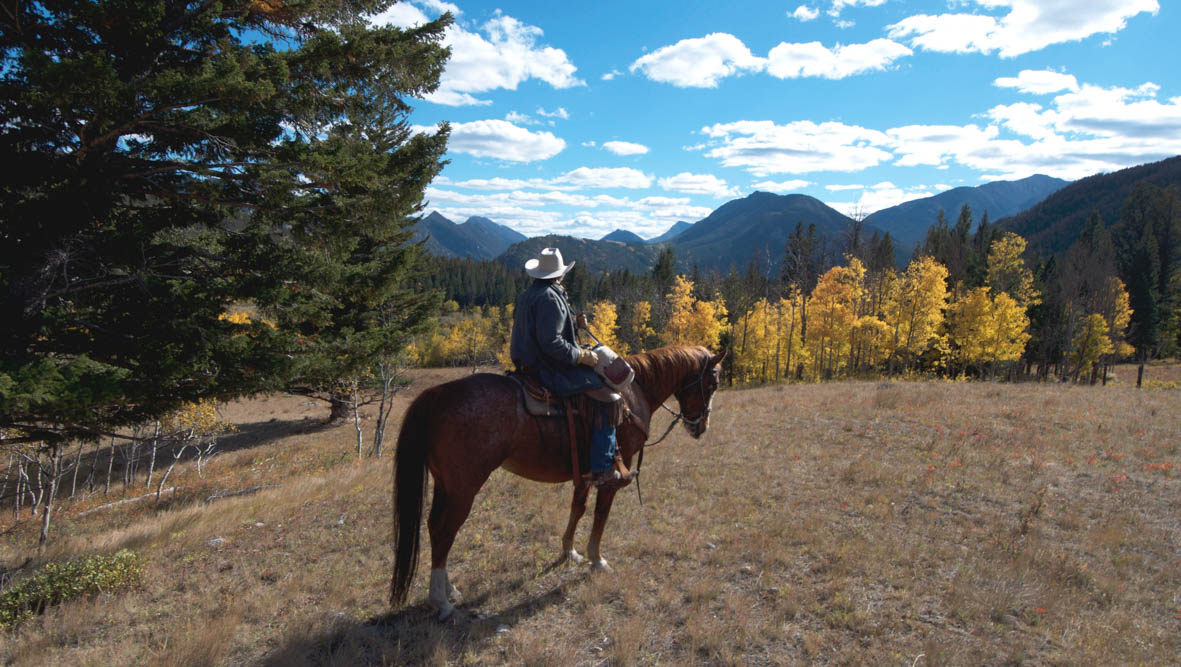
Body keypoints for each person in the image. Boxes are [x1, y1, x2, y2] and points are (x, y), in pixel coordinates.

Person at [509, 247, 625, 487]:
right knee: (608, 400)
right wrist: (581, 355)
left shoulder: (532, 293)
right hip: (548, 368)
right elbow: (551, 343)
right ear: (559, 273)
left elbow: (539, 329)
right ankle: (602, 469)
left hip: (530, 363)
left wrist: (573, 324)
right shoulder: (550, 298)